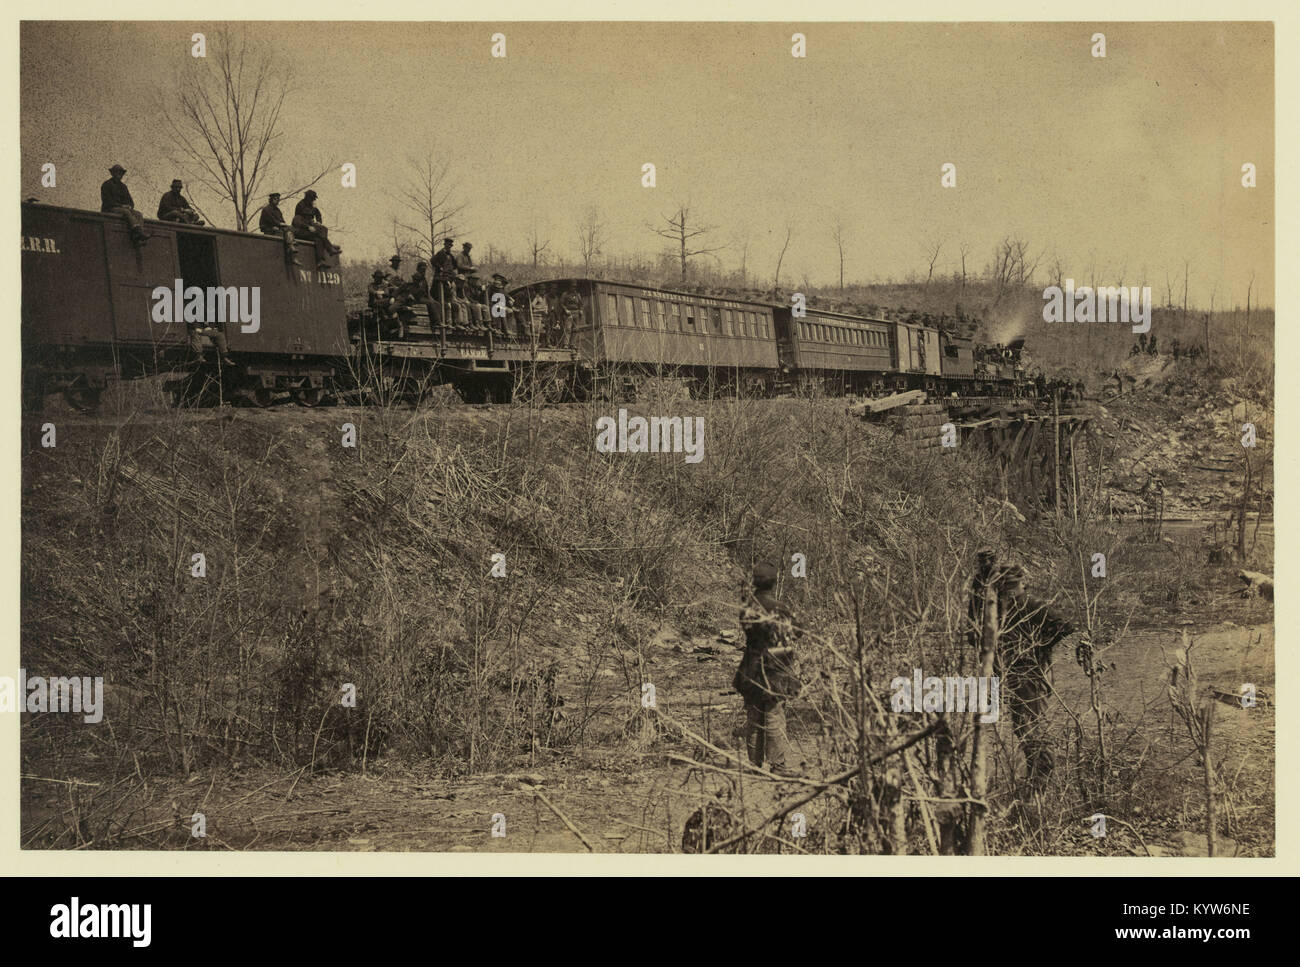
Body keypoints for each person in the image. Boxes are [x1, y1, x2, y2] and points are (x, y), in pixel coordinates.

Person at [992, 563, 1074, 783]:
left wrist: (1041, 646)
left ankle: (1041, 782)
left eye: (1010, 585)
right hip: (1014, 675)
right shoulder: (998, 609)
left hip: (1030, 675)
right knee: (1023, 726)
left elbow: (1064, 625)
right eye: (1005, 586)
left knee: (1031, 728)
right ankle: (1035, 777)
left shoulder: (1030, 604)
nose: (1007, 590)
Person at [733, 561, 803, 776]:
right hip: (774, 667)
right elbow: (796, 632)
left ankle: (754, 765)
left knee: (754, 717)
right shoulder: (779, 608)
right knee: (774, 715)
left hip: (751, 666)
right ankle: (779, 766)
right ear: (774, 582)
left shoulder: (747, 609)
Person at [291, 189, 342, 264]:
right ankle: (329, 248)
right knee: (319, 234)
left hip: (310, 230)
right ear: (308, 198)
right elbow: (296, 222)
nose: (314, 200)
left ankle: (320, 260)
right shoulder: (300, 206)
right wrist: (308, 227)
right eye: (313, 198)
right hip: (301, 231)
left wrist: (318, 222)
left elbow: (318, 214)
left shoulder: (312, 206)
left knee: (319, 237)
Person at [100, 164, 147, 244]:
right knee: (126, 212)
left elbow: (130, 201)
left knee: (138, 214)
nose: (119, 175)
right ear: (112, 173)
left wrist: (129, 206)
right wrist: (122, 206)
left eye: (121, 173)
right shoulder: (106, 185)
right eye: (117, 173)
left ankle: (139, 235)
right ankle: (137, 231)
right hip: (110, 209)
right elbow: (107, 201)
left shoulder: (123, 187)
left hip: (122, 209)